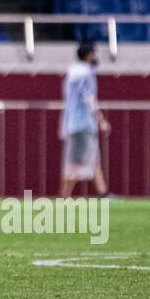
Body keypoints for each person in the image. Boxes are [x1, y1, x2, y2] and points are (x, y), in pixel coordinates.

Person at [58, 40, 111, 199]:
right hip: (82, 124)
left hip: (74, 123)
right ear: (88, 55)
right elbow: (89, 98)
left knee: (93, 159)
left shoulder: (72, 71)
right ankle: (64, 196)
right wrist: (101, 119)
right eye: (93, 53)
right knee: (74, 162)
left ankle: (103, 193)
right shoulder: (85, 73)